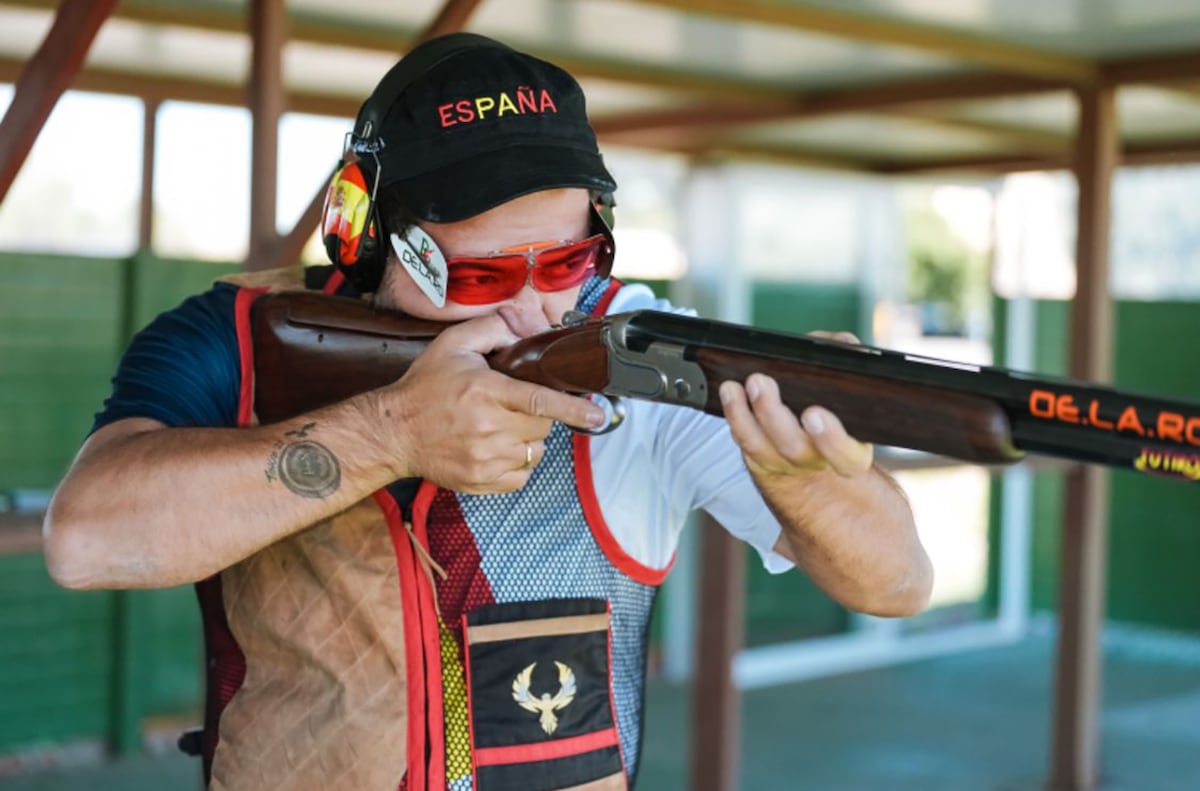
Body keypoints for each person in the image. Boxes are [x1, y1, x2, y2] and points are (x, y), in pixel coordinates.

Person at [43, 32, 931, 791]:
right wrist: (386, 434)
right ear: (361, 235)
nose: (537, 313)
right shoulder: (232, 339)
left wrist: (808, 482)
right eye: (479, 277)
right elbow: (84, 539)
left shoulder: (641, 355)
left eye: (566, 263)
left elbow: (897, 583)